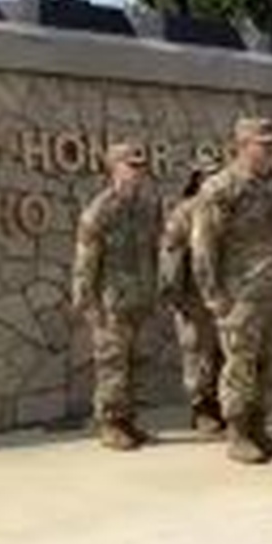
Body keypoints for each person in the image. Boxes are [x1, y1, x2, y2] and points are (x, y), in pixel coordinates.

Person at [191, 116, 272, 463]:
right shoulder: (221, 188)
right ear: (241, 146)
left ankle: (261, 429)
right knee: (241, 365)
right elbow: (204, 246)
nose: (270, 150)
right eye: (262, 144)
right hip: (240, 296)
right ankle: (238, 433)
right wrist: (213, 295)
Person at [71, 142, 160, 450]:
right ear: (114, 168)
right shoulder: (99, 211)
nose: (137, 171)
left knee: (136, 363)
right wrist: (86, 302)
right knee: (112, 365)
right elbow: (85, 261)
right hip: (110, 303)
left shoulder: (148, 207)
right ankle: (110, 424)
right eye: (130, 165)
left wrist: (157, 288)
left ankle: (128, 421)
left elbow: (154, 250)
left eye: (140, 166)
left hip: (140, 298)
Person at [159, 151, 225, 434]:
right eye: (209, 175)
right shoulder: (185, 212)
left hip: (224, 294)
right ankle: (202, 408)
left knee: (224, 351)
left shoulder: (227, 209)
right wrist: (176, 294)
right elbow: (171, 254)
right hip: (194, 295)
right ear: (198, 179)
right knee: (198, 351)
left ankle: (223, 404)